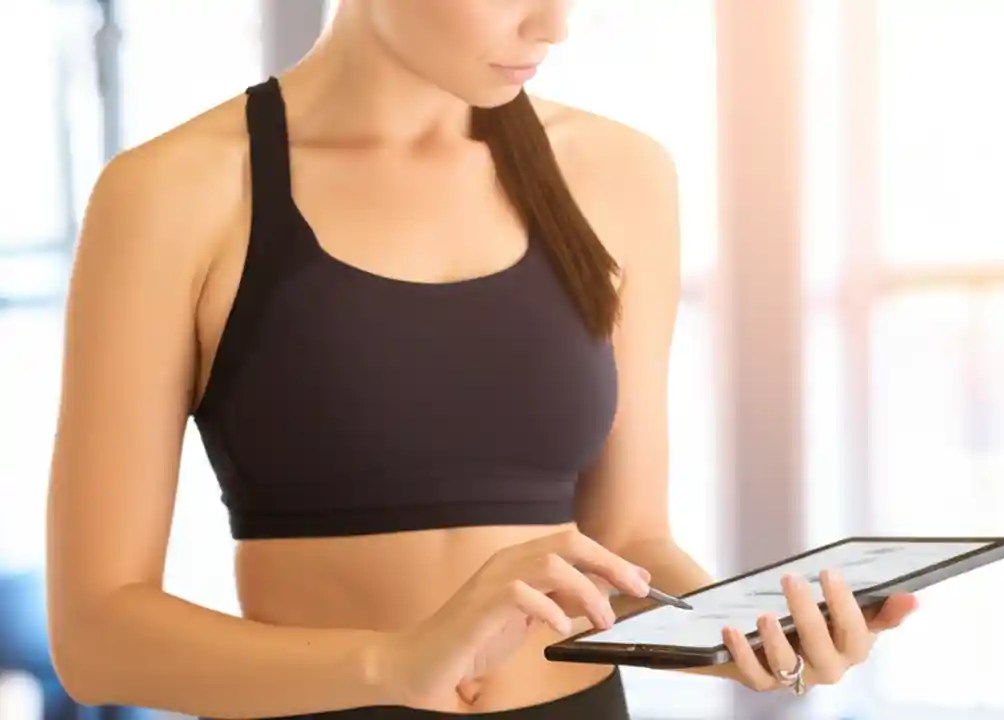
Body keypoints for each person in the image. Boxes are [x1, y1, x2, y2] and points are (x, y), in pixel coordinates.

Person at [43, 1, 918, 718]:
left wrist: (745, 640)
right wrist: (396, 664)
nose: (553, 25)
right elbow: (97, 641)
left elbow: (628, 545)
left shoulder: (619, 174)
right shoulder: (174, 192)